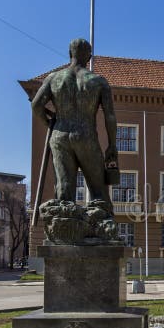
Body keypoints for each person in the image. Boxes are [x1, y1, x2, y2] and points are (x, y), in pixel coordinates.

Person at [31, 38, 118, 204]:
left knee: (64, 191)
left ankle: (63, 225)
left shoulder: (53, 78)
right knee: (98, 192)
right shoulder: (98, 81)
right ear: (89, 57)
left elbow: (36, 105)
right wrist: (112, 145)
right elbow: (110, 116)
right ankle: (100, 222)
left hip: (60, 136)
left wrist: (49, 122)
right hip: (86, 136)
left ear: (70, 54)